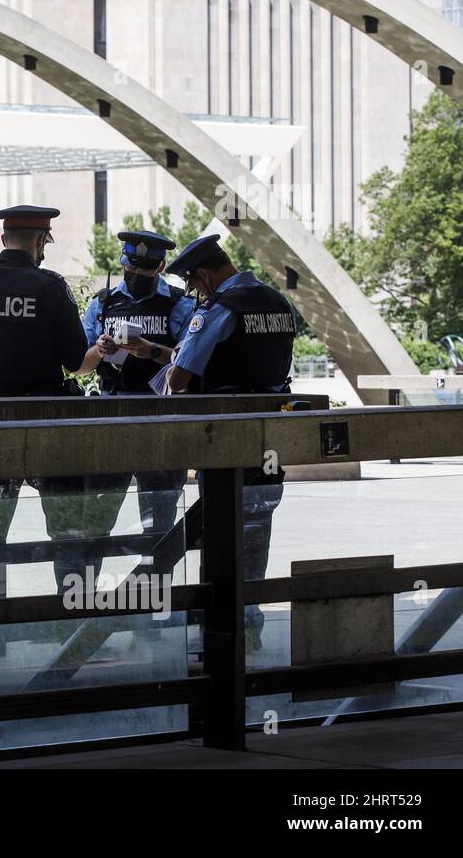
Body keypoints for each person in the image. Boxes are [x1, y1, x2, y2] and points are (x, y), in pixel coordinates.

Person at [164, 233, 297, 650]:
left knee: (219, 534)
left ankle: (221, 633)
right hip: (270, 438)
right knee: (257, 533)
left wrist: (172, 375)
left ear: (203, 275)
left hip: (224, 441)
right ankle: (250, 624)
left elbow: (181, 377)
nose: (196, 292)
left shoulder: (220, 308)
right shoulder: (278, 302)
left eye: (194, 285)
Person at [0, 204, 90, 586]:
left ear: (3, 238)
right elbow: (76, 359)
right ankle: (70, 618)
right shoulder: (51, 286)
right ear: (41, 241)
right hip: (44, 425)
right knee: (67, 530)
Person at [73, 231, 196, 540]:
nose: (137, 274)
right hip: (111, 418)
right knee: (96, 523)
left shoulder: (180, 304)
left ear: (161, 266)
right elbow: (79, 367)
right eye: (132, 267)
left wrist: (152, 351)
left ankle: (158, 585)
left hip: (161, 419)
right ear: (123, 263)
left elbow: (192, 365)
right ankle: (86, 588)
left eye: (147, 269)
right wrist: (99, 350)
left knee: (160, 526)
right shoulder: (103, 304)